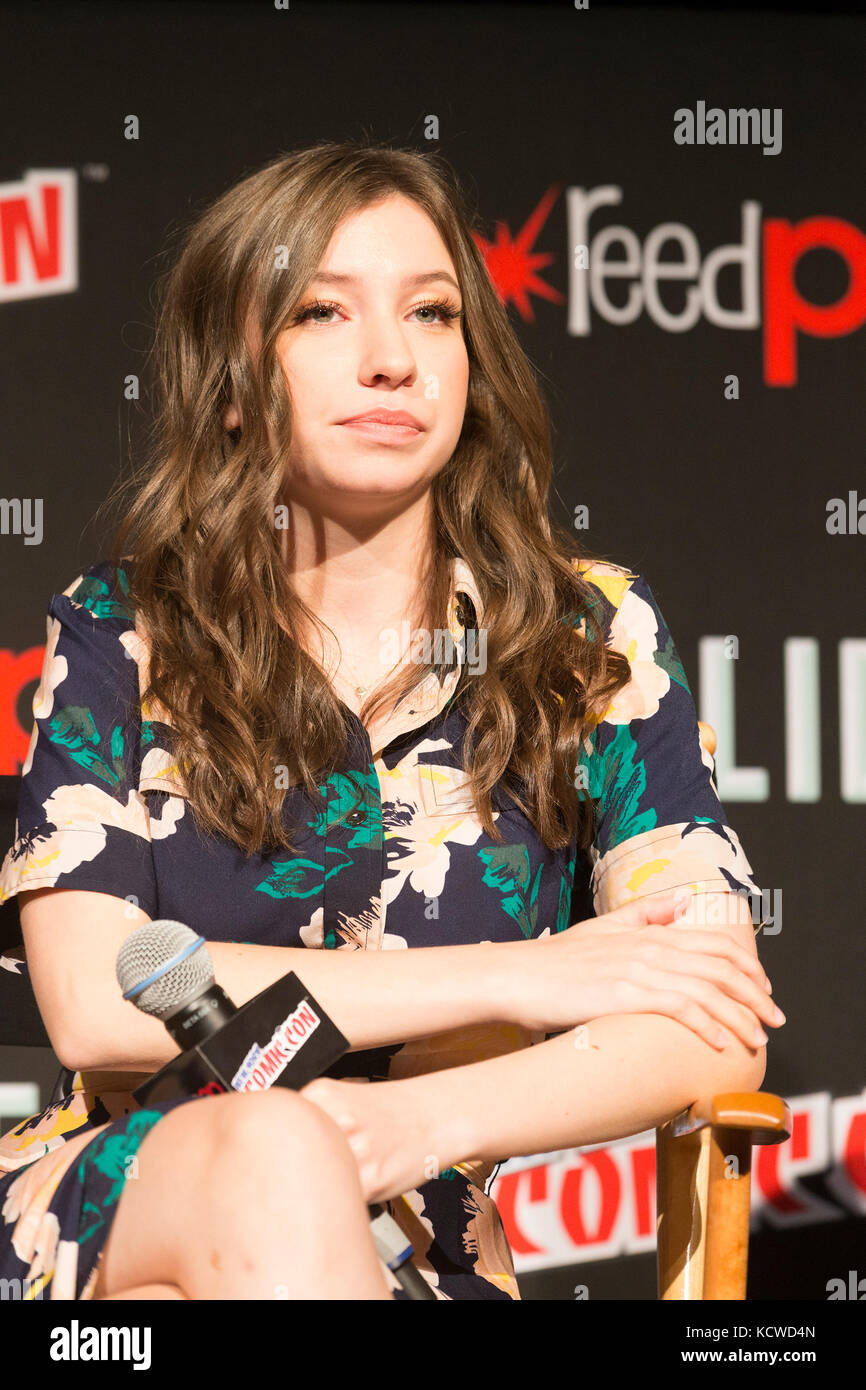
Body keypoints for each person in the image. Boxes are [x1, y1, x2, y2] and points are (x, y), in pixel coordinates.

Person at [0, 141, 784, 1301]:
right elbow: (101, 998)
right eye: (321, 312)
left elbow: (715, 1020)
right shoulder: (126, 631)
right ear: (231, 383)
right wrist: (523, 977)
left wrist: (410, 1123)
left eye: (431, 313)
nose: (391, 359)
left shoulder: (585, 636)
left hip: (413, 1245)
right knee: (268, 1157)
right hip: (119, 1204)